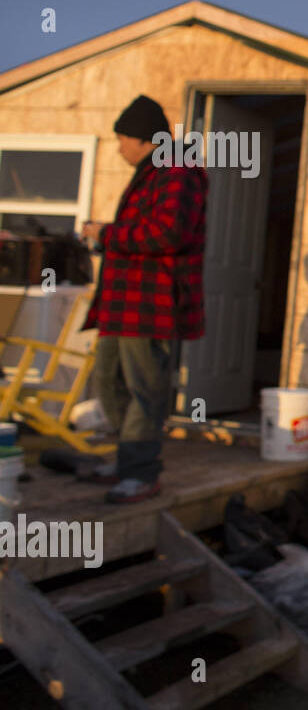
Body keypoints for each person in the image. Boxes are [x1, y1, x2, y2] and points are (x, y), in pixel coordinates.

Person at [79, 95, 208, 503]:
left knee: (144, 388)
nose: (118, 148)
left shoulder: (177, 170)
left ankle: (142, 472)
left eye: (122, 139)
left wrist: (107, 234)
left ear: (143, 139)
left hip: (151, 301)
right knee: (107, 381)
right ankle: (126, 459)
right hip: (123, 300)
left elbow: (168, 233)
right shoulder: (152, 172)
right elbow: (142, 231)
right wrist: (104, 237)